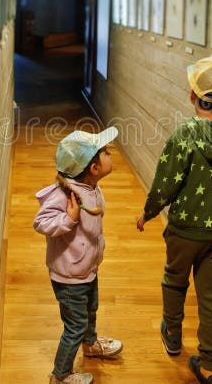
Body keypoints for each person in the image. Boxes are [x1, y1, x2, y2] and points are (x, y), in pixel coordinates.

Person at [136, 55, 212, 384]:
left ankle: (172, 331)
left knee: (175, 280)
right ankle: (210, 365)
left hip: (185, 229)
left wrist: (149, 211)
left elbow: (166, 181)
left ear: (191, 96)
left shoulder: (185, 134)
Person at [34, 127, 124, 384]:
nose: (110, 154)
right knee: (74, 327)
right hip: (69, 276)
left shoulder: (90, 186)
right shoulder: (64, 194)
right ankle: (60, 375)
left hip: (87, 268)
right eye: (105, 153)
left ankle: (91, 345)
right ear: (93, 168)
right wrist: (68, 219)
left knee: (90, 310)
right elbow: (41, 223)